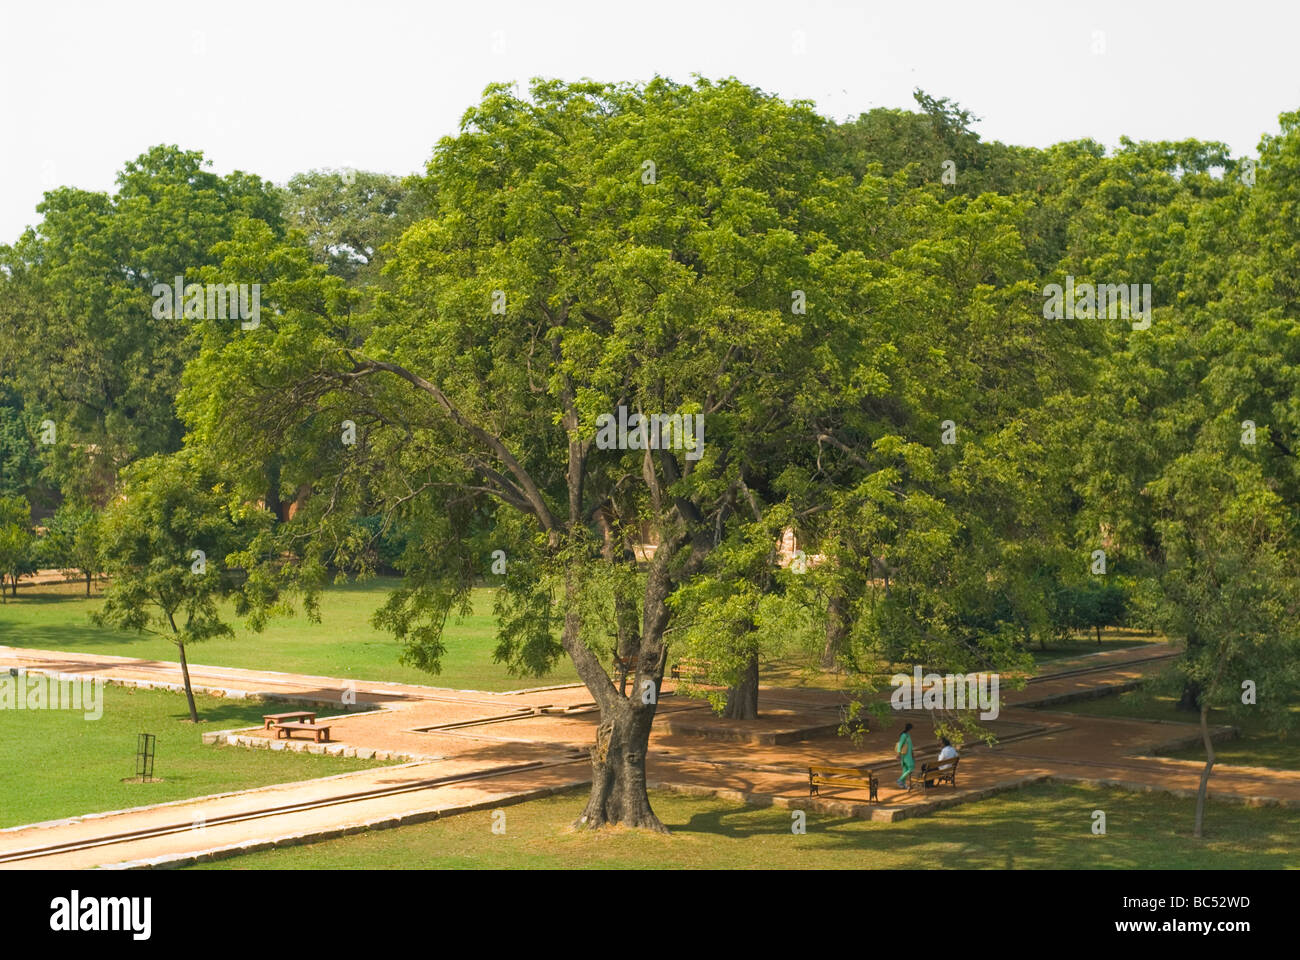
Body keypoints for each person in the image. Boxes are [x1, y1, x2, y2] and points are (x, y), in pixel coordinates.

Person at [895, 722, 915, 789]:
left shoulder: (908, 735)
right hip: (905, 755)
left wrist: (912, 752)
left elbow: (911, 745)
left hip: (909, 754)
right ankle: (900, 780)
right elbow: (900, 744)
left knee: (905, 769)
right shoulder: (903, 735)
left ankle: (903, 784)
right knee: (911, 767)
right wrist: (898, 753)